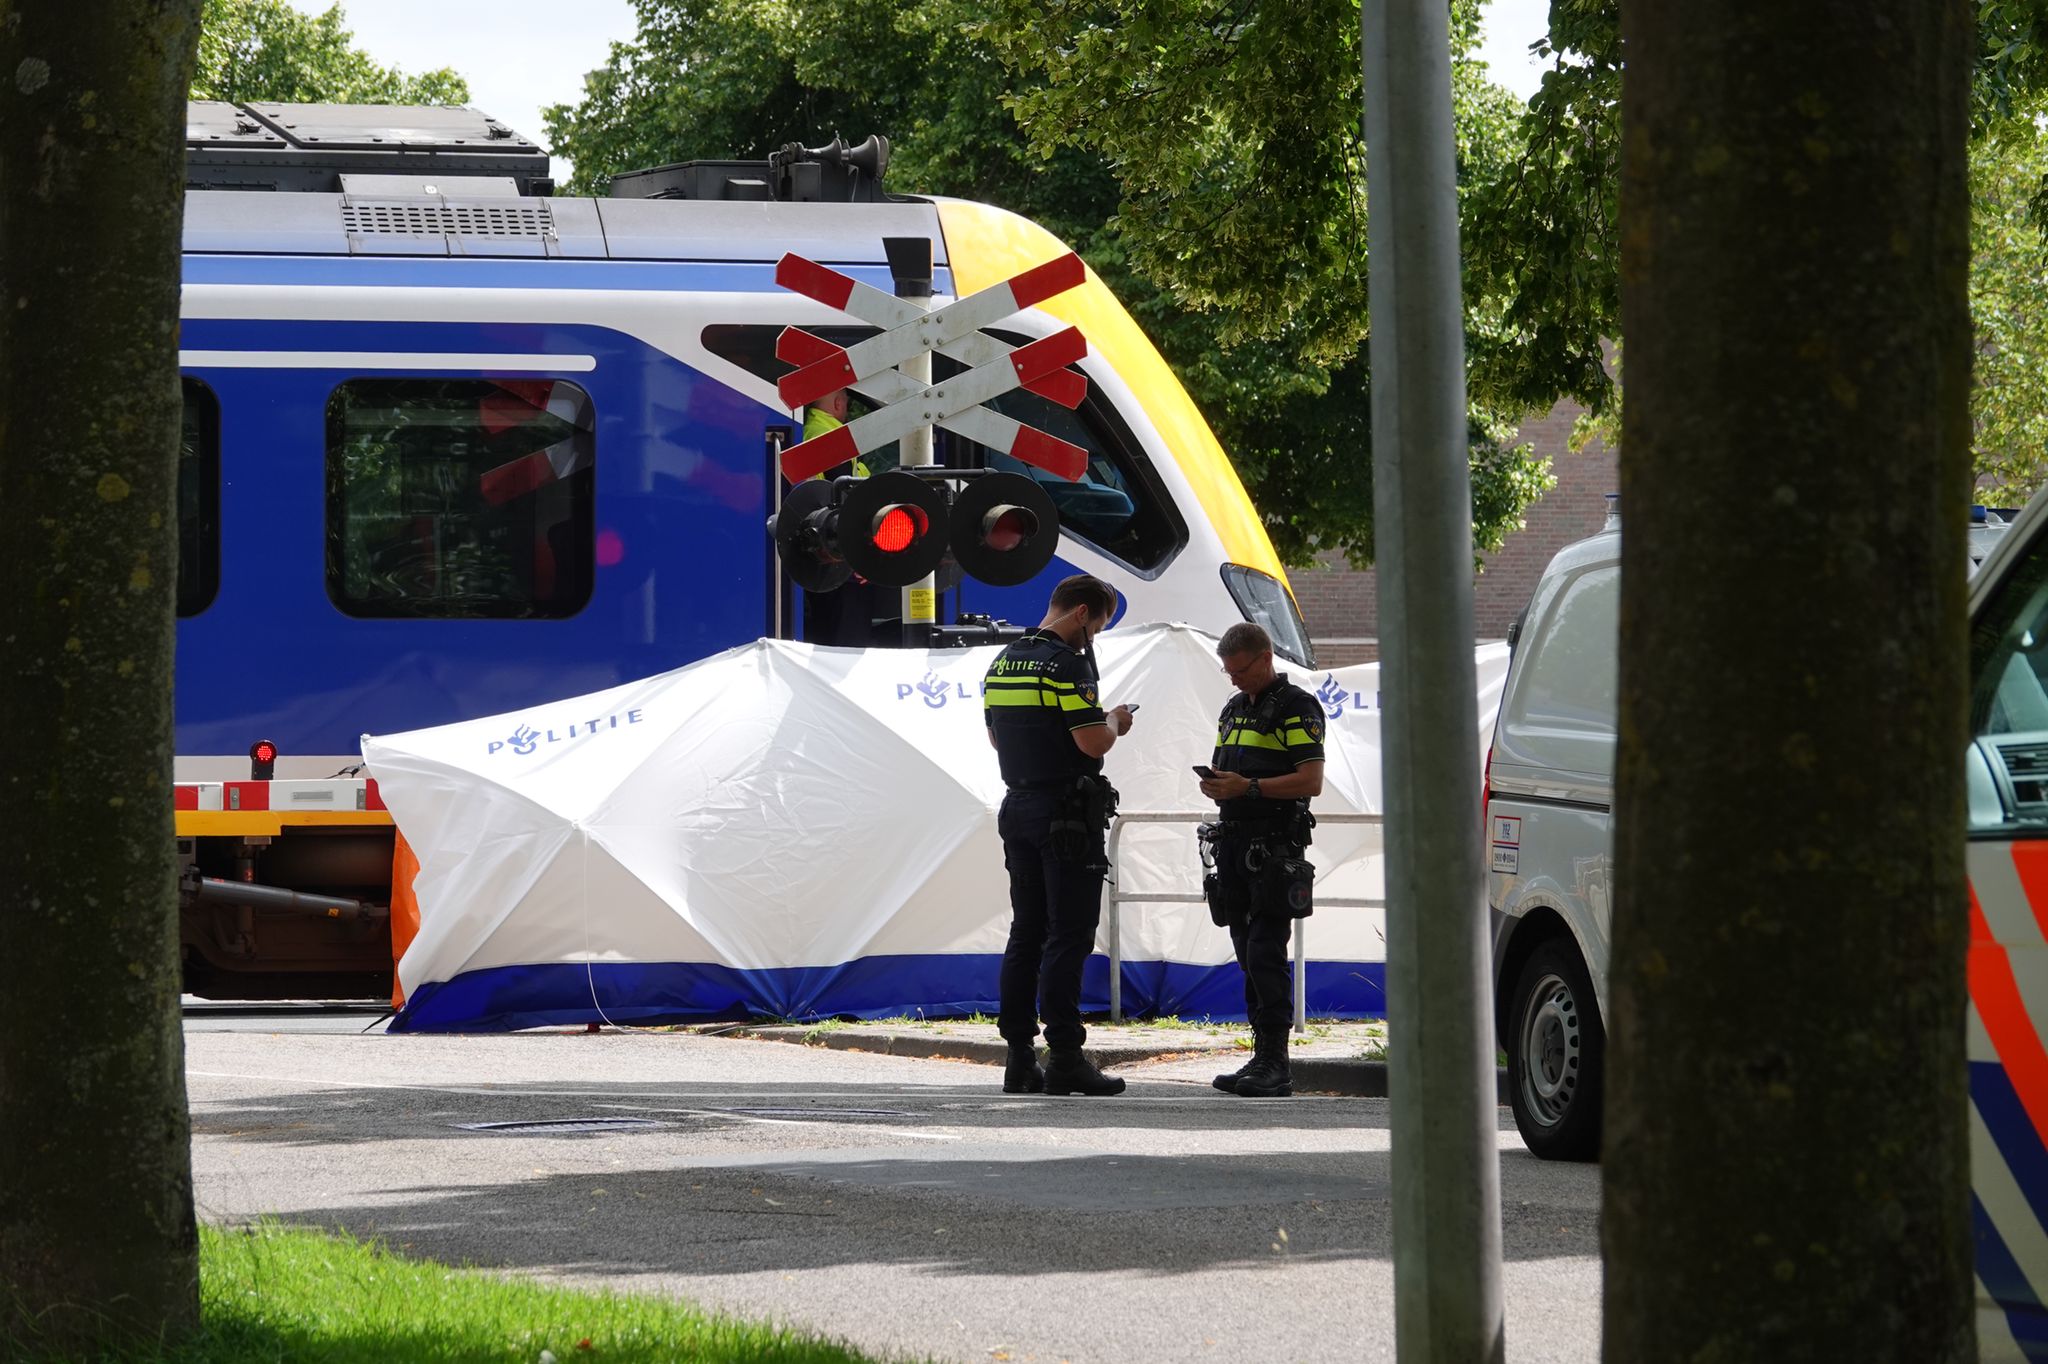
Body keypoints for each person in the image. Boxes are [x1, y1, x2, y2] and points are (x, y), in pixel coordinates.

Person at [983, 574, 1136, 1096]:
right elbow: (1093, 742)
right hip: (1065, 815)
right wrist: (1115, 720)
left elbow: (995, 736)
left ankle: (1019, 1057)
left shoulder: (1002, 661)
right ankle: (1067, 1055)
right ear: (1080, 614)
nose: (1093, 638)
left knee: (1026, 933)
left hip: (1017, 806)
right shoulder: (1067, 665)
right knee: (1068, 934)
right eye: (1096, 626)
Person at [1197, 621, 1325, 1098]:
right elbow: (1230, 768)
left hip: (1274, 848)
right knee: (1246, 952)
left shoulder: (1297, 707)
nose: (1235, 679)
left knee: (1266, 952)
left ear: (1265, 657)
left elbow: (1310, 780)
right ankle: (1260, 1056)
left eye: (1241, 670)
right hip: (1234, 844)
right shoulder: (1233, 708)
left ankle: (1276, 1061)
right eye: (1229, 672)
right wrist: (1217, 784)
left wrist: (1248, 788)